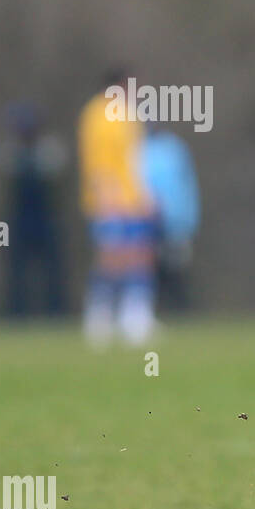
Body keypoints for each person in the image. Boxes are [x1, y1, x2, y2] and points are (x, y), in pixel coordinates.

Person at [77, 68, 157, 346]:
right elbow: (99, 159)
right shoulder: (99, 114)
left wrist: (146, 194)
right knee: (111, 257)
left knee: (139, 254)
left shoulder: (129, 115)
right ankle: (99, 316)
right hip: (109, 199)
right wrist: (106, 195)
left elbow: (136, 159)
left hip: (133, 199)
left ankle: (134, 316)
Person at [1, 101, 69, 317]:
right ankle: (16, 313)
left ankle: (55, 312)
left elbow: (57, 177)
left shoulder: (49, 152)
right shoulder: (10, 152)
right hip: (19, 219)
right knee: (16, 271)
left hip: (46, 218)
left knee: (53, 269)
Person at [142, 114, 200, 313]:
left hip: (174, 222)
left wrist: (188, 221)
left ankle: (181, 315)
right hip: (144, 222)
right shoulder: (134, 148)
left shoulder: (174, 148)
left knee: (175, 272)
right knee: (147, 273)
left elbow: (188, 187)